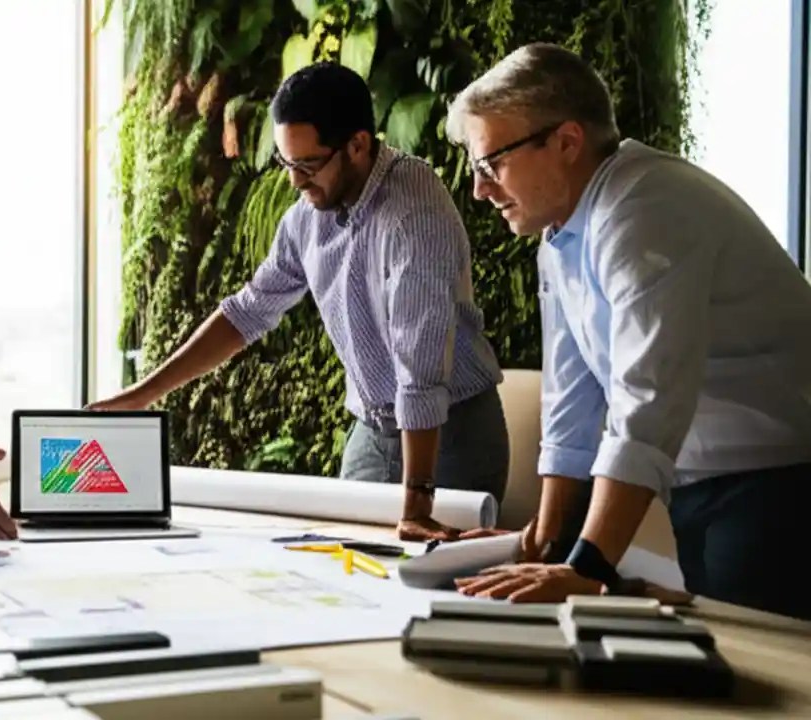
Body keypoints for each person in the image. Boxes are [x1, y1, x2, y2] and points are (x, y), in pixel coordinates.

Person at [445, 43, 811, 621]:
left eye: (492, 163)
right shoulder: (563, 232)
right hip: (711, 482)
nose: (480, 189)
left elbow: (648, 397)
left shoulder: (643, 209)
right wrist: (541, 540)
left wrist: (585, 568)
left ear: (566, 142)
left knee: (766, 679)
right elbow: (574, 397)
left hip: (780, 484)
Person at [91, 62, 509, 541]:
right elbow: (247, 312)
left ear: (358, 145)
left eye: (308, 165)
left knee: (442, 586)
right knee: (352, 584)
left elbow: (420, 367)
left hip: (452, 435)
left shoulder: (413, 212)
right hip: (372, 434)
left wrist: (417, 503)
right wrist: (139, 398)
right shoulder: (307, 217)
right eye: (286, 164)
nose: (294, 182)